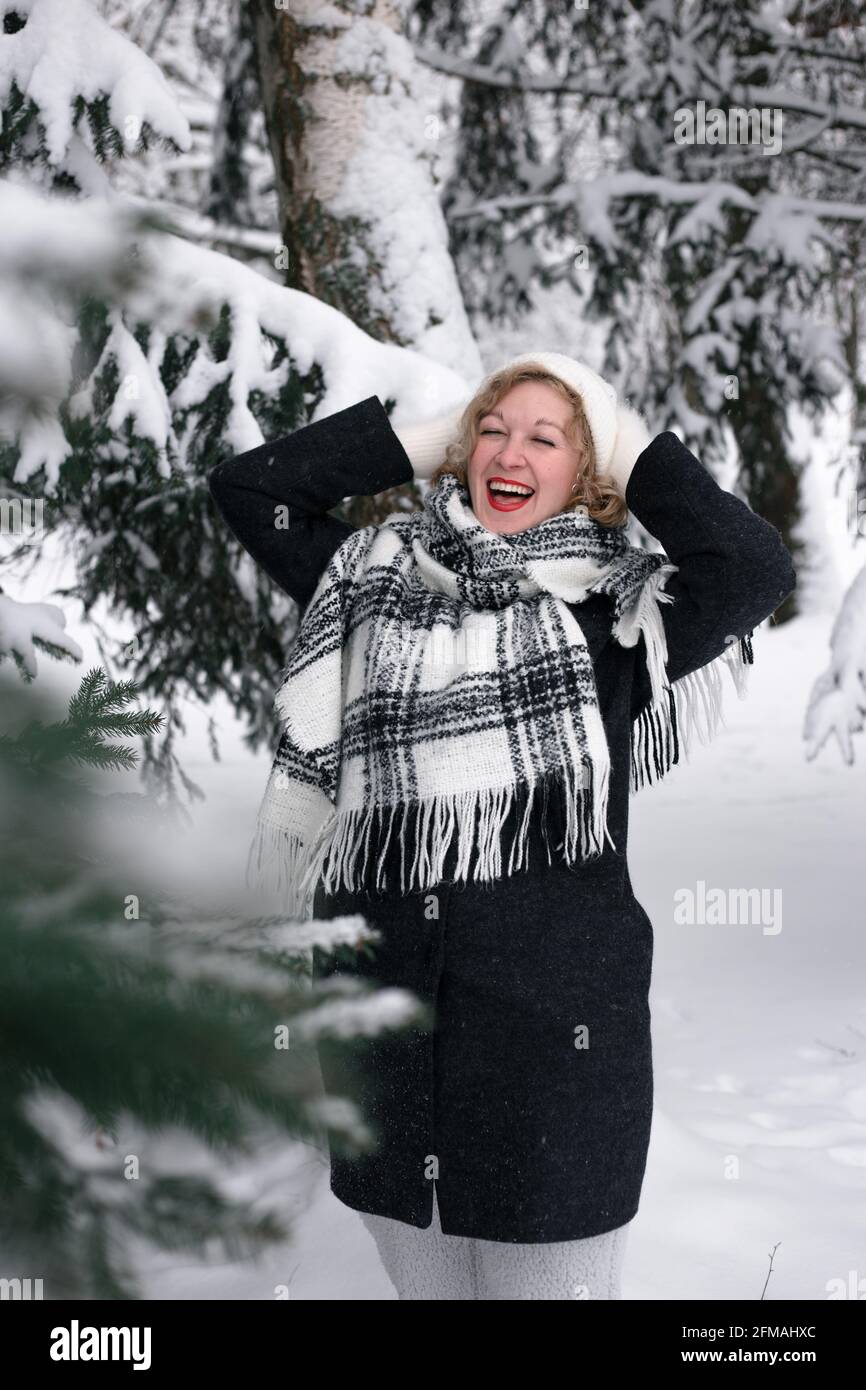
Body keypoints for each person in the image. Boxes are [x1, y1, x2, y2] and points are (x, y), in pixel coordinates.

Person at [208, 351, 797, 1299]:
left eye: (544, 437)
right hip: (389, 1052)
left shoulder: (621, 616)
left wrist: (631, 445)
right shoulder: (370, 584)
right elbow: (250, 488)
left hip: (555, 1061)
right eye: (491, 429)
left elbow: (756, 564)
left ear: (591, 472)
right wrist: (423, 438)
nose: (507, 450)